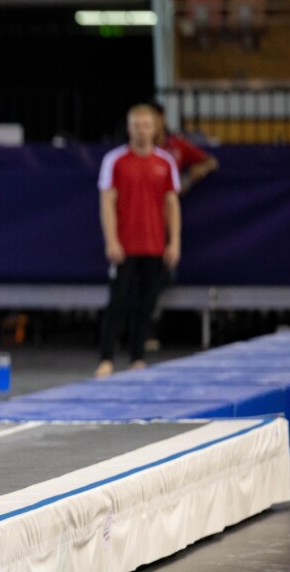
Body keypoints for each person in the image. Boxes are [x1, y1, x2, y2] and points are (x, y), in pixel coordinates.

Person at [95, 104, 182, 378]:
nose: (141, 130)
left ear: (155, 128)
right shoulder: (115, 161)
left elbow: (172, 204)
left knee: (146, 305)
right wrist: (112, 240)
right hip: (125, 246)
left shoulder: (164, 162)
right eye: (136, 124)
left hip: (155, 246)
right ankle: (106, 358)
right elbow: (107, 202)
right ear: (129, 127)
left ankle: (137, 357)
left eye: (147, 125)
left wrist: (174, 242)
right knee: (117, 303)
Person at [144, 103, 218, 352]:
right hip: (143, 216)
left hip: (166, 215)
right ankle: (145, 327)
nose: (147, 127)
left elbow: (210, 161)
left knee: (164, 270)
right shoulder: (140, 149)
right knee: (141, 272)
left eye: (151, 121)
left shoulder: (175, 146)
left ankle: (152, 325)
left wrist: (193, 174)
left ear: (161, 120)